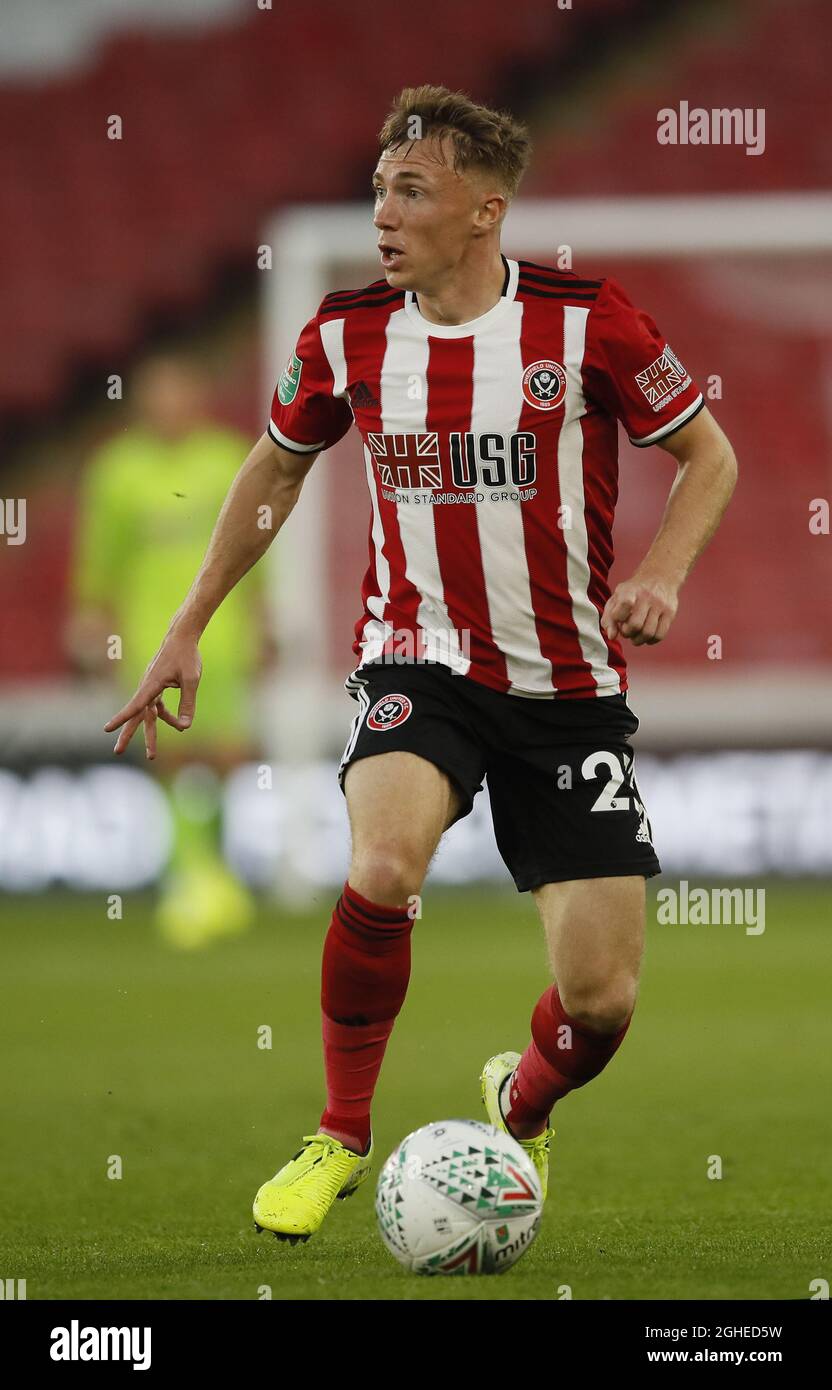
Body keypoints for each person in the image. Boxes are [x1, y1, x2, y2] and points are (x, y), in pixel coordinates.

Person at [105, 85, 737, 1241]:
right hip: (417, 658)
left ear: (485, 209)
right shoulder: (345, 335)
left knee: (600, 1001)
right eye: (378, 191)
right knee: (384, 859)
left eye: (410, 190)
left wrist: (662, 575)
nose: (382, 215)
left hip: (567, 689)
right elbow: (273, 471)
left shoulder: (585, 322)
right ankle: (338, 1135)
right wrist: (188, 622)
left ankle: (523, 1095)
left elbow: (709, 453)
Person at [72, 351, 262, 947]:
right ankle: (193, 878)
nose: (168, 405)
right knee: (172, 758)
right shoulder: (116, 470)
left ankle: (213, 869)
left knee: (229, 756)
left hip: (224, 632)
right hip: (148, 634)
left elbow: (259, 540)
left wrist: (266, 614)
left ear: (197, 396)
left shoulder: (228, 457)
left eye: (178, 391)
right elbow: (100, 555)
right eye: (158, 394)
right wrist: (91, 617)